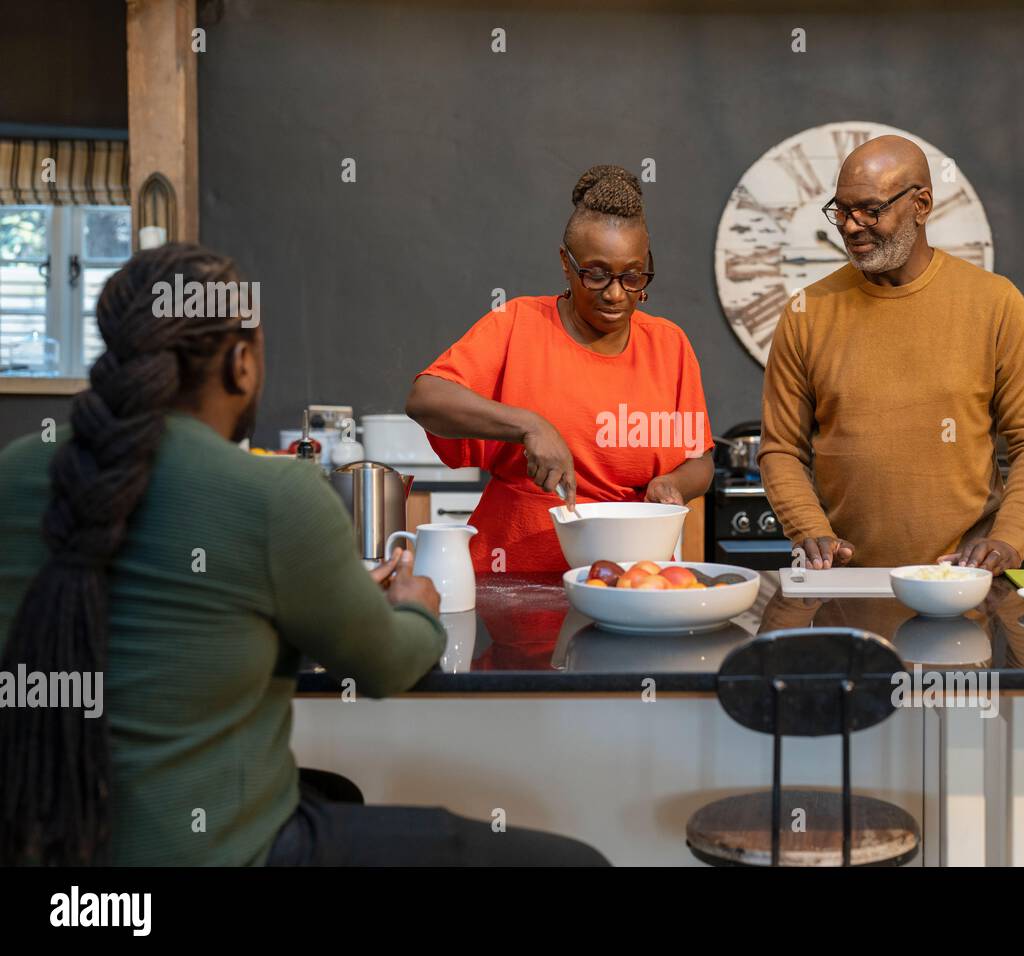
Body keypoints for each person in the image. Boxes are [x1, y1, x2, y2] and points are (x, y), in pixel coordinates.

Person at [0, 243, 607, 866]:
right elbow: (385, 665)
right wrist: (418, 606)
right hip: (224, 853)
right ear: (241, 363)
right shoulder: (271, 495)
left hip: (44, 849)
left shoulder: (15, 472)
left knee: (333, 794)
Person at [760, 136, 1024, 574]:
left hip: (963, 579)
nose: (849, 225)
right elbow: (781, 449)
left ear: (921, 204)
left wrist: (1008, 539)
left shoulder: (995, 303)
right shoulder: (807, 312)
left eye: (869, 210)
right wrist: (808, 528)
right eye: (841, 210)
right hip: (847, 582)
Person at [406, 165, 714, 573]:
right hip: (516, 574)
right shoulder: (517, 323)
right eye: (597, 275)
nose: (617, 293)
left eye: (632, 275)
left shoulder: (669, 344)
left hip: (632, 576)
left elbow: (701, 460)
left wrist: (672, 484)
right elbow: (425, 398)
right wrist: (529, 425)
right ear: (566, 264)